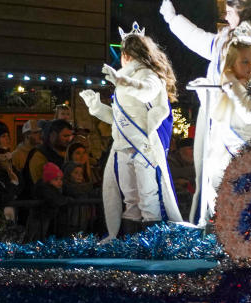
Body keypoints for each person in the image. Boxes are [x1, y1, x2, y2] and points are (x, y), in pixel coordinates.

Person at [160, 0, 251, 222]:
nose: (227, 16)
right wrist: (174, 20)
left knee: (246, 173)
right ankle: (222, 228)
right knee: (215, 175)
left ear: (244, 12)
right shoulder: (223, 40)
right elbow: (197, 39)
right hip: (220, 119)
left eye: (230, 12)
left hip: (245, 118)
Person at [79, 27, 185, 238]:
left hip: (142, 146)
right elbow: (118, 119)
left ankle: (152, 244)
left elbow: (146, 91)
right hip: (123, 146)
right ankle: (131, 243)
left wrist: (122, 81)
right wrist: (97, 107)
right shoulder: (123, 80)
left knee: (148, 197)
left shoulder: (148, 75)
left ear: (126, 54)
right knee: (131, 200)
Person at [195, 36, 251, 225]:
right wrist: (203, 91)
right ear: (232, 63)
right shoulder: (225, 86)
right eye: (245, 62)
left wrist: (235, 88)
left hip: (247, 151)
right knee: (216, 189)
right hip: (222, 150)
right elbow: (215, 114)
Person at [24, 119, 75, 190]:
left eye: (70, 136)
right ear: (52, 135)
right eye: (65, 136)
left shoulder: (70, 153)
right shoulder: (39, 155)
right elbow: (42, 186)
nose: (68, 140)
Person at [28, 162, 71, 242]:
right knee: (35, 236)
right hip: (39, 216)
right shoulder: (45, 188)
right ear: (48, 180)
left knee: (40, 235)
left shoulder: (53, 189)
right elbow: (55, 199)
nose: (59, 182)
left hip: (44, 216)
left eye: (60, 179)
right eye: (55, 179)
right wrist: (66, 200)